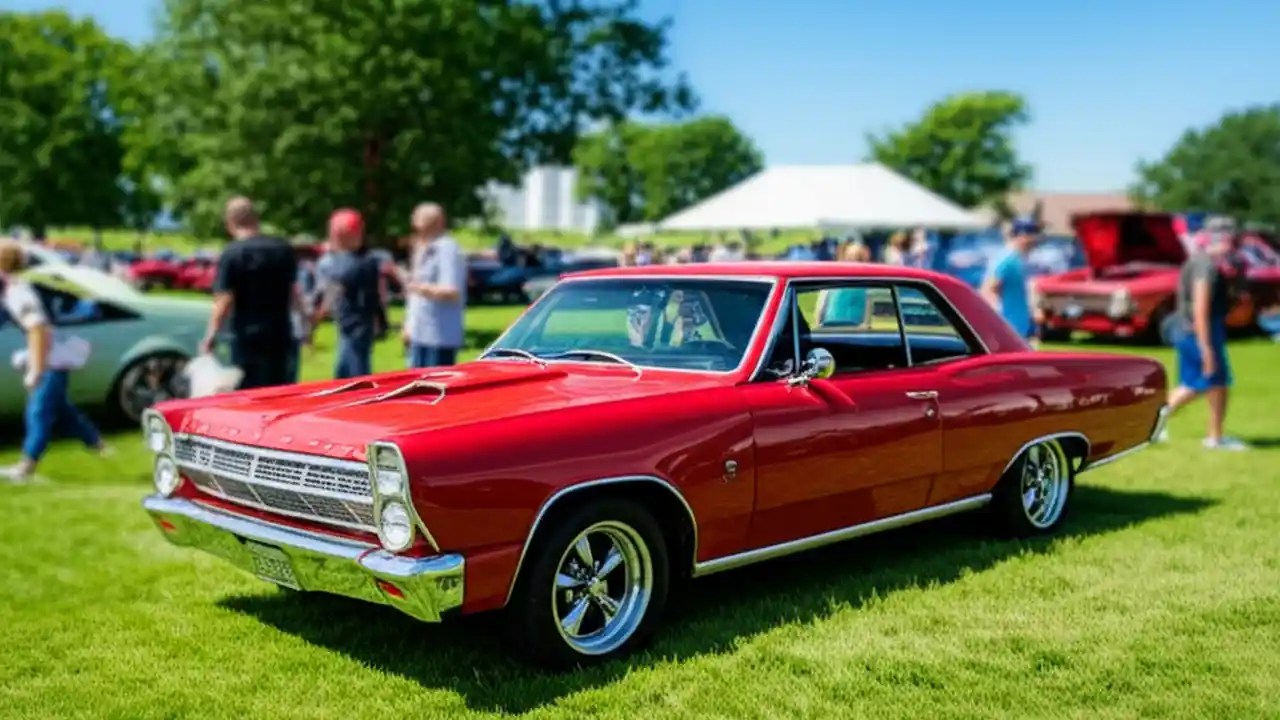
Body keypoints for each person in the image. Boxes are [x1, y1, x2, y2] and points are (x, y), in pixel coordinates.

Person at [1, 241, 107, 482]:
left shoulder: (16, 290)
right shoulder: (20, 286)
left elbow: (38, 328)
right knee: (61, 409)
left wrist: (36, 370)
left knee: (38, 411)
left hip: (49, 359)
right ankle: (100, 446)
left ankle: (26, 466)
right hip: (53, 355)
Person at [201, 196, 309, 389]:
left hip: (246, 338)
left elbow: (224, 300)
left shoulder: (232, 253)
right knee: (279, 393)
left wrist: (211, 335)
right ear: (256, 219)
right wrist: (305, 324)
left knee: (247, 397)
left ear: (230, 223)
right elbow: (294, 293)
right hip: (280, 336)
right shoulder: (283, 249)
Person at [1162, 217, 1248, 450]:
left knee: (1195, 384)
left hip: (1193, 329)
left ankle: (1153, 424)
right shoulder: (1206, 265)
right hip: (1199, 330)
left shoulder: (1202, 261)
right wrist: (1206, 348)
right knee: (1212, 382)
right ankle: (1214, 438)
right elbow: (1200, 308)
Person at [314, 209, 385, 379]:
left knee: (351, 373)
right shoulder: (368, 260)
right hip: (361, 322)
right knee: (353, 366)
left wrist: (319, 313)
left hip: (353, 324)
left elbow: (335, 288)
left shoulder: (345, 261)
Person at [402, 203, 465, 368]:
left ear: (437, 222)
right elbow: (414, 297)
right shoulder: (422, 248)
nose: (415, 225)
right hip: (419, 333)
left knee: (433, 387)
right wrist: (409, 326)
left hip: (439, 336)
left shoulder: (447, 249)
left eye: (421, 220)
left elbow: (451, 291)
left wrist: (418, 287)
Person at [980, 218, 1041, 343]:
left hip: (1019, 329)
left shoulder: (1019, 260)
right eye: (1033, 235)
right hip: (1008, 329)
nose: (1036, 240)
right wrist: (996, 322)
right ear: (1022, 235)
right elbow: (989, 289)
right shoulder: (1007, 259)